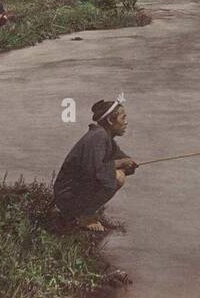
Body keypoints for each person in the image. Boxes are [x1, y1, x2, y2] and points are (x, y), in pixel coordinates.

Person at [53, 98, 138, 232]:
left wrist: (128, 163)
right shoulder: (98, 136)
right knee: (118, 177)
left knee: (118, 173)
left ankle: (83, 212)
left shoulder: (105, 138)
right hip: (67, 195)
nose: (126, 123)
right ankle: (85, 216)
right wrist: (120, 163)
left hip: (73, 193)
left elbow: (121, 158)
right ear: (110, 120)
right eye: (123, 118)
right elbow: (93, 171)